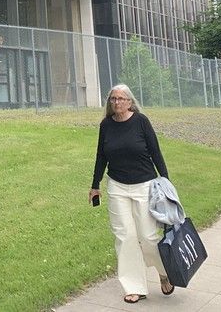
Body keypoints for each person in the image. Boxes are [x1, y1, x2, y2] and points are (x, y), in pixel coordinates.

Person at [89, 84, 175, 304]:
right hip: (117, 186)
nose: (116, 102)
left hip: (144, 185)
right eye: (113, 99)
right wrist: (95, 184)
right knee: (125, 237)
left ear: (129, 102)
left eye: (121, 98)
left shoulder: (141, 121)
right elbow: (101, 156)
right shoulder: (106, 125)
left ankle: (164, 272)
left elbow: (156, 152)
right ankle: (134, 286)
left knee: (148, 237)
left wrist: (165, 181)